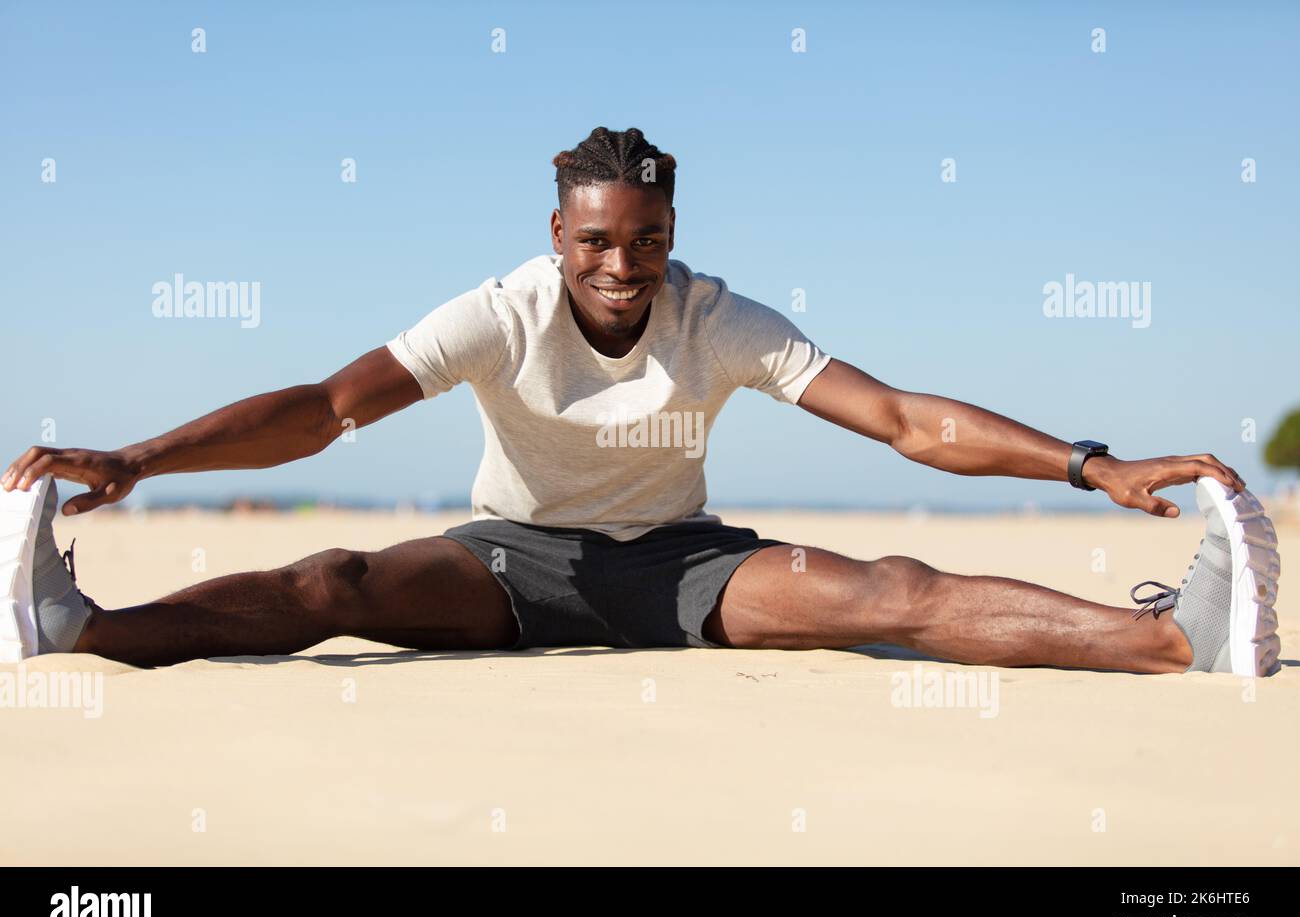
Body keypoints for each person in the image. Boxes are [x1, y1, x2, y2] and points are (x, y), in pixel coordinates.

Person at [0, 127, 1280, 676]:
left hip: (683, 565)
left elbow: (898, 421)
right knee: (329, 580)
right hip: (506, 560)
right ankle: (82, 630)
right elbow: (330, 406)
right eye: (599, 241)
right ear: (558, 232)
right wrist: (143, 456)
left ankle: (1176, 641)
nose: (624, 268)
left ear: (670, 231)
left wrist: (1087, 464)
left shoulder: (715, 314)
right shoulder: (495, 312)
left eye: (648, 239)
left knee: (891, 588)